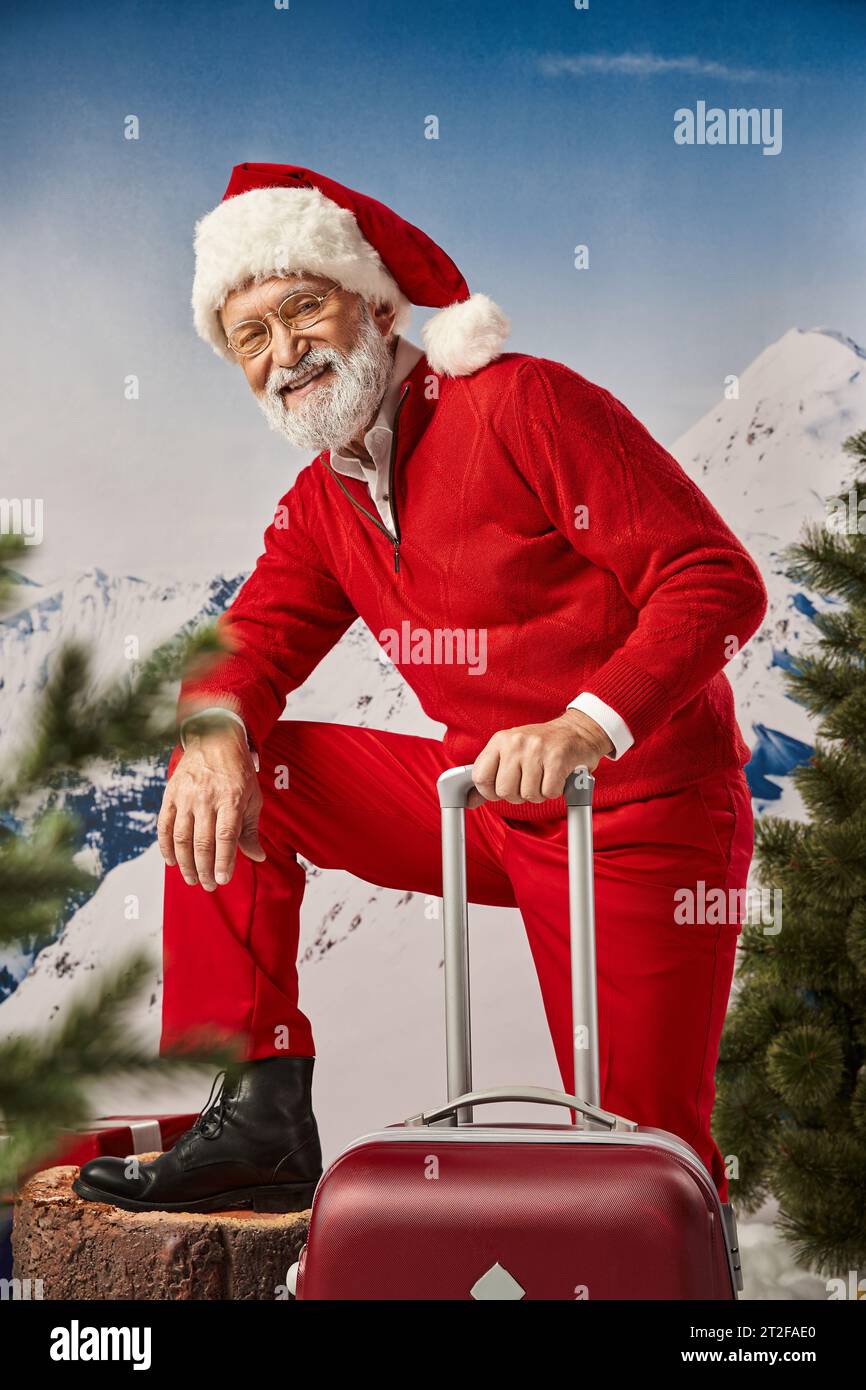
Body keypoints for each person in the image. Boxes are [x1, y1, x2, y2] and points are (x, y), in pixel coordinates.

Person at [73, 162, 767, 1216]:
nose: (283, 352)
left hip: (639, 817)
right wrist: (211, 731)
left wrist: (586, 723)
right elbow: (246, 644)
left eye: (302, 306)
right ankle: (260, 1112)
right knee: (243, 763)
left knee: (641, 1154)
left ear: (378, 303)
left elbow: (715, 581)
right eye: (249, 336)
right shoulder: (323, 501)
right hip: (486, 805)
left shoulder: (520, 402)